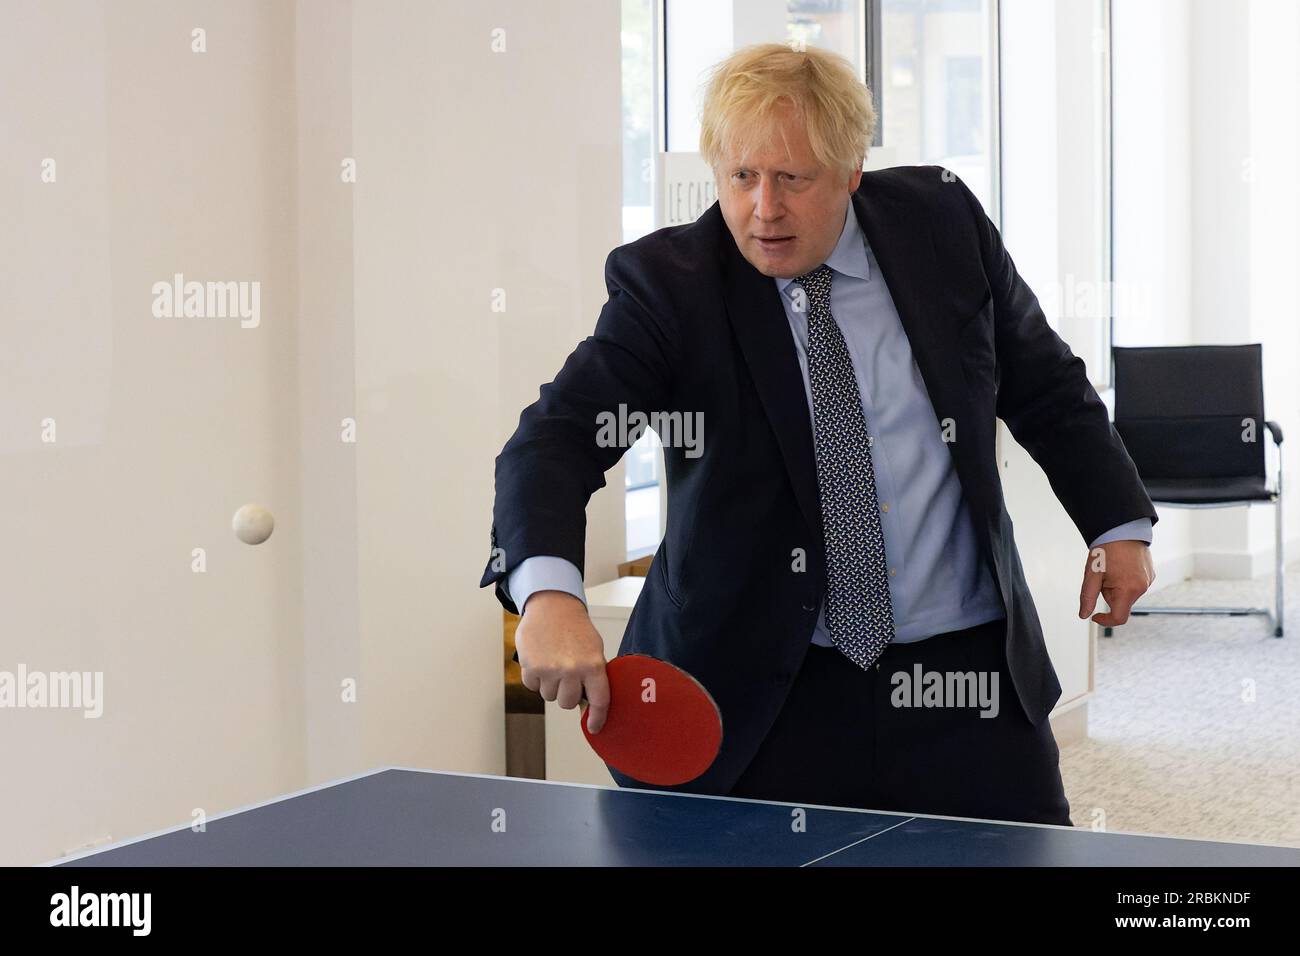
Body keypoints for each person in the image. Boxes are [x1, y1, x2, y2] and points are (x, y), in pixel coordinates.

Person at [479, 42, 1156, 825]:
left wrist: (1118, 523)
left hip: (963, 682)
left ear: (850, 171)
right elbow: (555, 439)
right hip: (755, 690)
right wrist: (549, 595)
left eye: (793, 179)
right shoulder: (671, 287)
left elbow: (1045, 383)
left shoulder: (942, 224)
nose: (764, 208)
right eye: (741, 177)